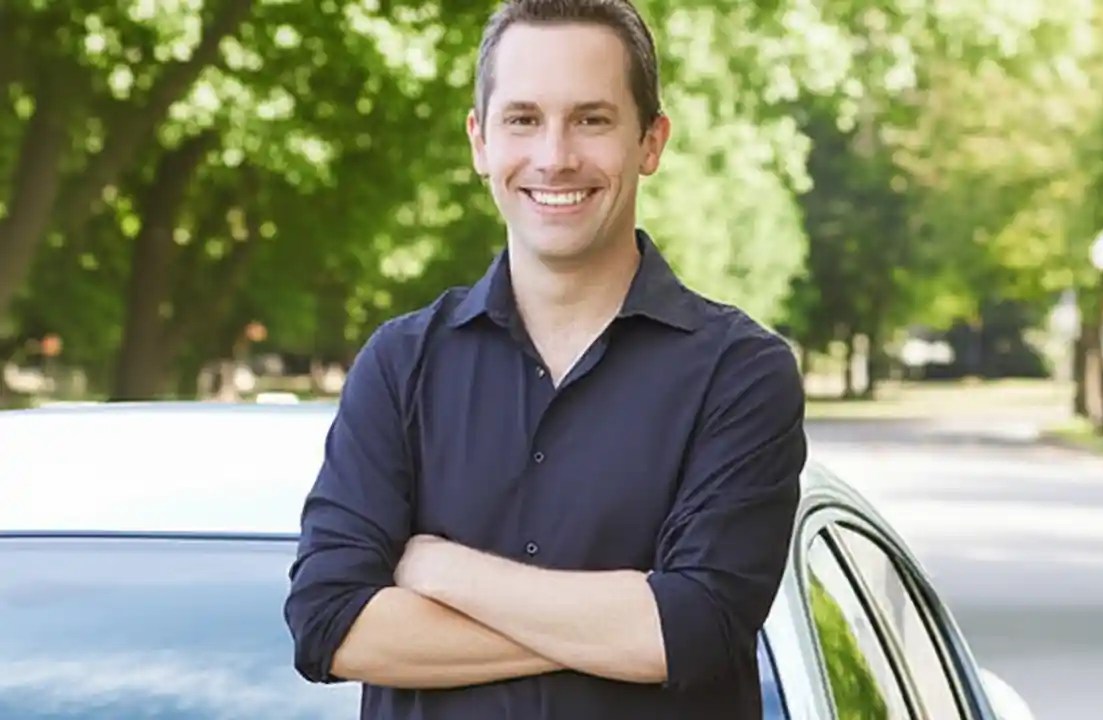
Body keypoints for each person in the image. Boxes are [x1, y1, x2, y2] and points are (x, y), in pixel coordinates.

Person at [283, 1, 807, 717]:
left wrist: (444, 570)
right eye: (523, 119)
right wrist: (616, 626)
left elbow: (695, 628)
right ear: (480, 142)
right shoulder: (400, 365)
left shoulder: (741, 374)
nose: (555, 156)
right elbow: (328, 624)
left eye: (591, 119)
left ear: (650, 142)